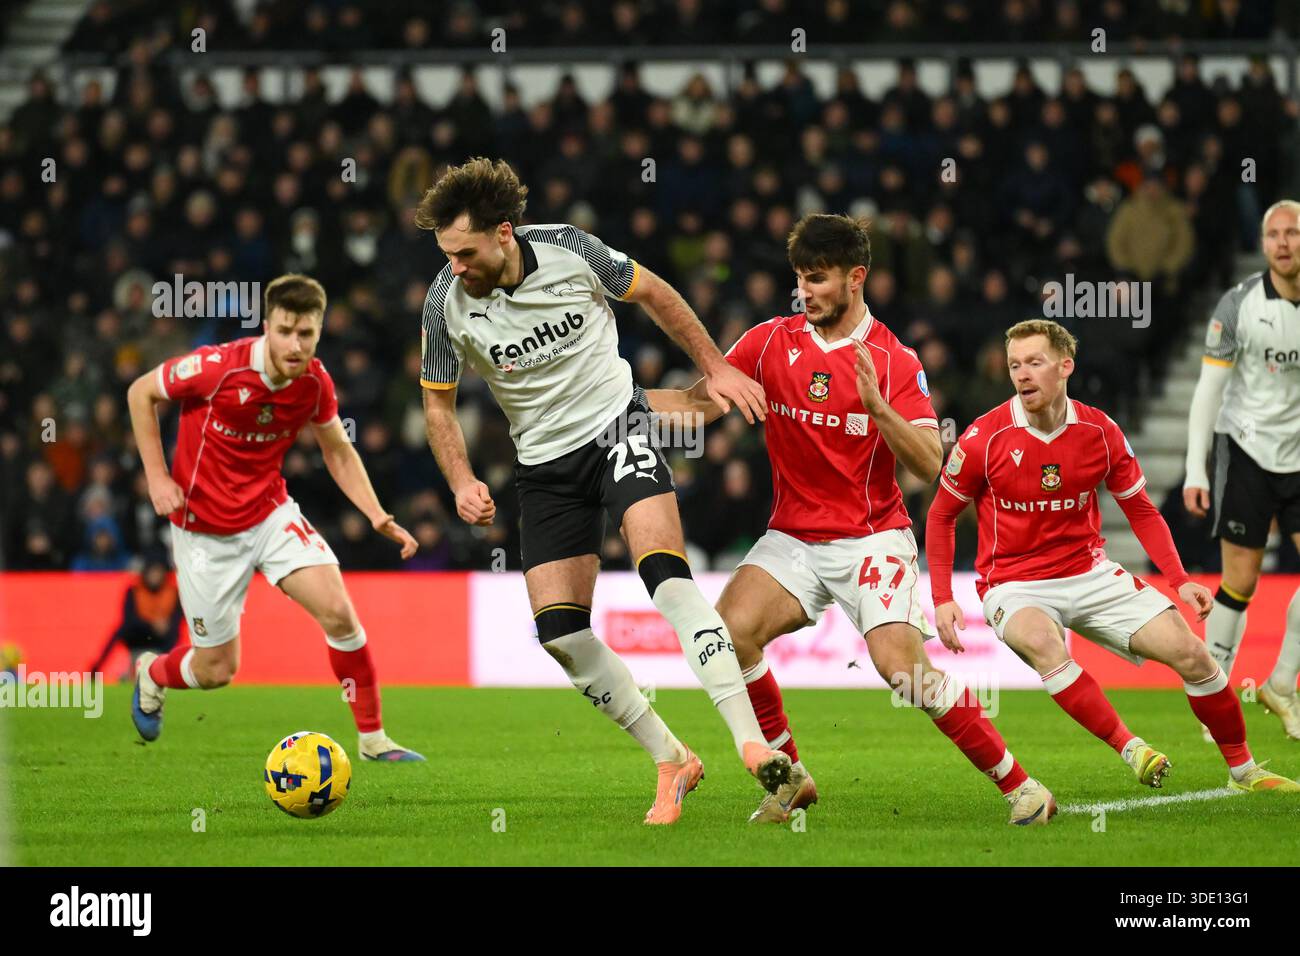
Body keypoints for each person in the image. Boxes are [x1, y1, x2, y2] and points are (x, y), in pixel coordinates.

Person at [649, 214, 1059, 826]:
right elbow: (697, 406)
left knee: (904, 674)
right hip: (791, 536)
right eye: (799, 279)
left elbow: (929, 462)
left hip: (872, 538)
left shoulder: (893, 360)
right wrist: (613, 403)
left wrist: (877, 409)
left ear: (855, 277)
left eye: (817, 279)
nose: (805, 291)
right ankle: (790, 779)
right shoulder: (768, 342)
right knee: (728, 634)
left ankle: (1023, 787)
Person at [416, 157, 789, 825]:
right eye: (448, 254)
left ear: (504, 233)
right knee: (560, 633)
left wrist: (715, 367)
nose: (457, 266)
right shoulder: (445, 302)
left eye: (465, 252)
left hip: (621, 424)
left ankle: (751, 743)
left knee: (666, 579)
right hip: (544, 468)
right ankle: (672, 758)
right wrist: (461, 479)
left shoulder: (569, 249)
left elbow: (655, 293)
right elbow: (439, 406)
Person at [927, 319, 1298, 794]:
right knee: (1045, 645)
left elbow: (1140, 510)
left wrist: (1179, 578)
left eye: (1034, 363)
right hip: (1014, 584)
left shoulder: (1099, 431)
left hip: (1089, 572)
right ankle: (1132, 748)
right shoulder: (985, 438)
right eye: (1015, 365)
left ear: (1065, 366)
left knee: (1193, 654)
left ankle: (1245, 772)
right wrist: (941, 596)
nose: (1022, 375)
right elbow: (940, 517)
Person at [125, 274, 423, 761]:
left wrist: (376, 514)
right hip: (204, 530)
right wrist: (157, 478)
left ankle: (373, 740)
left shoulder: (314, 383)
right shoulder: (217, 367)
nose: (295, 343)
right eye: (285, 330)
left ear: (319, 333)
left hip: (268, 514)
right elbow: (141, 392)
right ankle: (152, 672)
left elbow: (338, 450)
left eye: (306, 333)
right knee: (217, 670)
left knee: (340, 613)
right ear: (267, 326)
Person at [1184, 199, 1300, 741]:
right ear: (1262, 243)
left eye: (1293, 233)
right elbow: (1209, 388)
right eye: (1273, 234)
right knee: (1240, 582)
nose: (1283, 242)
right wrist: (1195, 469)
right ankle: (1217, 693)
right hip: (1247, 452)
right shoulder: (1239, 304)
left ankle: (1281, 682)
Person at [87, 550, 182, 680]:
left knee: (175, 634)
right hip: (139, 635)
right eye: (152, 572)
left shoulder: (173, 593)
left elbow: (177, 620)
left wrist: (165, 626)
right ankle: (95, 670)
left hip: (163, 638)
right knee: (120, 630)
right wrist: (152, 625)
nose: (155, 576)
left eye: (159, 572)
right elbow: (129, 619)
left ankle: (169, 672)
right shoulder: (134, 591)